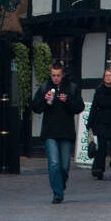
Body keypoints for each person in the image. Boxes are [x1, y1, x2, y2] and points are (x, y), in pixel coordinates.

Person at [32, 60, 84, 203]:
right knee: (54, 163)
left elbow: (79, 107)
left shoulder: (71, 88)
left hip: (66, 131)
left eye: (58, 75)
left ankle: (60, 184)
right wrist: (44, 99)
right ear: (50, 74)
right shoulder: (44, 87)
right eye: (53, 75)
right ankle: (58, 193)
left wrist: (67, 100)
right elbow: (35, 107)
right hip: (50, 132)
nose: (55, 78)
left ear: (63, 75)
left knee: (65, 166)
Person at [87, 69, 111, 180]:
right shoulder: (99, 91)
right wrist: (90, 122)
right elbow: (94, 106)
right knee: (102, 145)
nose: (108, 78)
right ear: (103, 78)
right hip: (102, 119)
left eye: (110, 76)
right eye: (106, 76)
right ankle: (98, 169)